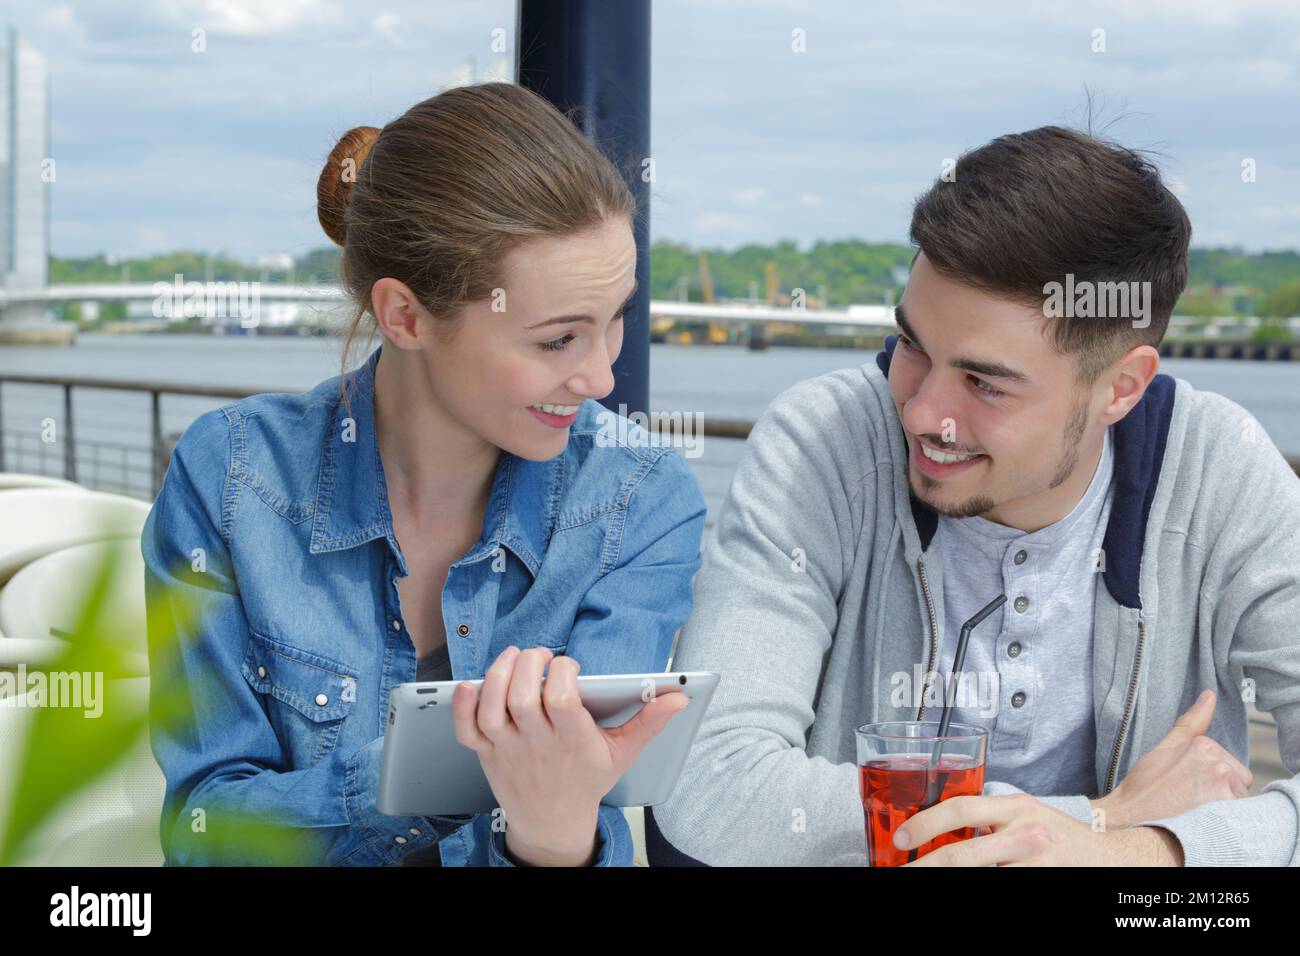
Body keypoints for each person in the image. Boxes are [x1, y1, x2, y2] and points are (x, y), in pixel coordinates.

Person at [648, 125, 1300, 866]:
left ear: (1121, 387)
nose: (923, 413)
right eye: (912, 347)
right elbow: (712, 783)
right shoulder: (824, 441)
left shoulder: (1219, 467)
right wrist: (1100, 821)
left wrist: (1151, 853)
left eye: (984, 382)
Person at [141, 81, 706, 867]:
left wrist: (551, 831)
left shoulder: (639, 497)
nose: (602, 379)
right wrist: (442, 771)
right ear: (406, 315)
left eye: (616, 321)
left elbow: (592, 805)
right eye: (557, 341)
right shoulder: (231, 478)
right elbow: (205, 832)